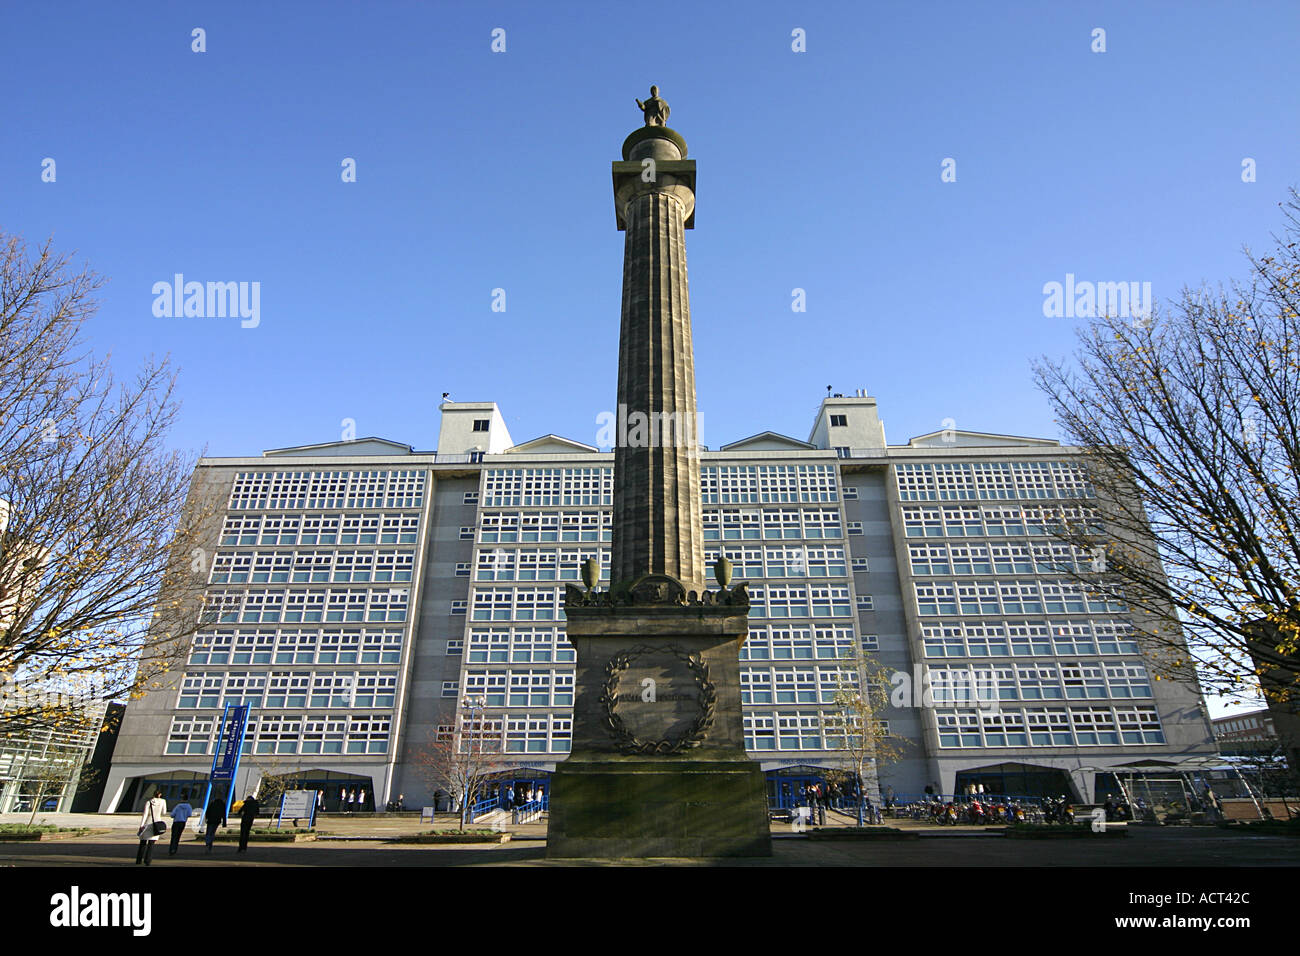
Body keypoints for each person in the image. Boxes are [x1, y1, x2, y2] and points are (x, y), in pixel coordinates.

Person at [136, 788, 168, 865]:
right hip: (157, 824)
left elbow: (145, 814)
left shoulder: (149, 802)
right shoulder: (163, 801)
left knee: (143, 842)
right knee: (151, 844)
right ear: (160, 794)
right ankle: (148, 861)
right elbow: (164, 812)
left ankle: (139, 860)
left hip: (148, 823)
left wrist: (141, 825)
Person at [168, 790, 193, 856]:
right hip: (183, 822)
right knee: (178, 836)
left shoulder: (178, 806)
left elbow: (172, 815)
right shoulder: (189, 806)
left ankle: (171, 849)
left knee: (173, 836)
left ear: (182, 799)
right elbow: (189, 814)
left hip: (176, 821)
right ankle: (175, 848)